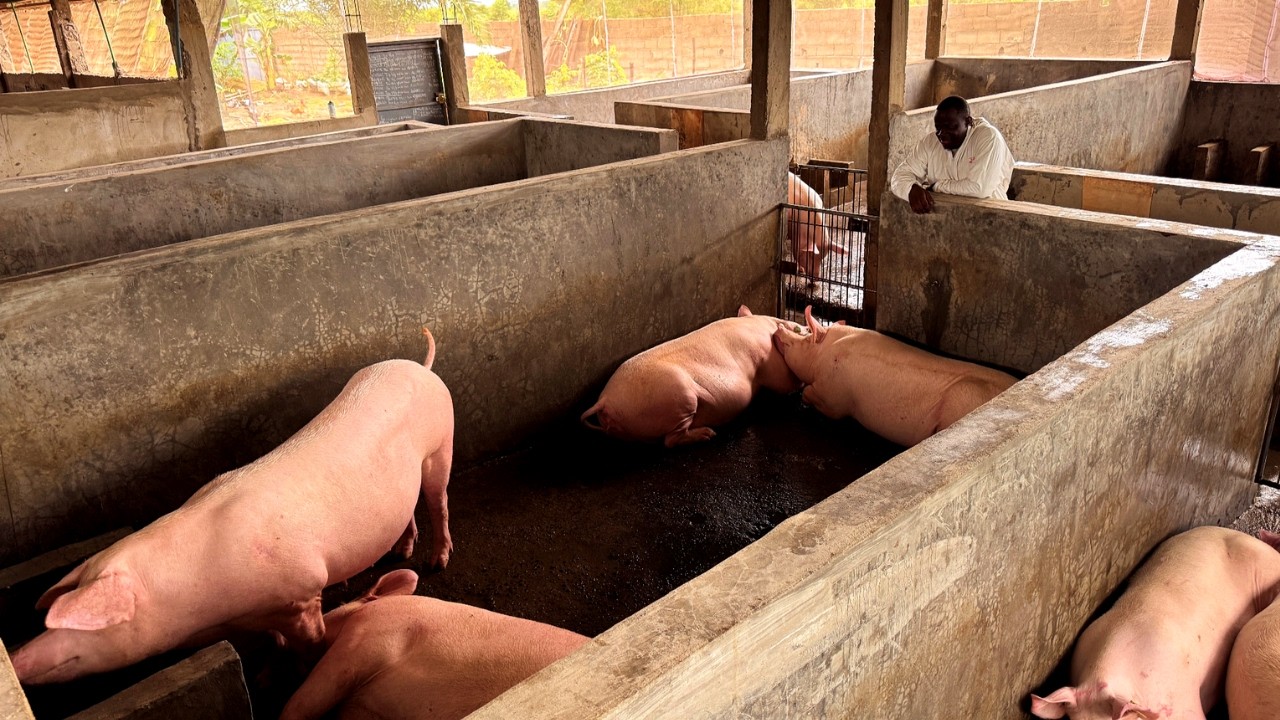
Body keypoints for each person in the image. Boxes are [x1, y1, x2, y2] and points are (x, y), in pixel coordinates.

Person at [890, 95, 1014, 213]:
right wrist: (911, 188)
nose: (941, 133)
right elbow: (899, 176)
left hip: (991, 220)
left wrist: (937, 186)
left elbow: (979, 188)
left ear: (968, 122)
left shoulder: (988, 137)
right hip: (946, 223)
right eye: (938, 128)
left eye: (950, 127)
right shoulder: (930, 142)